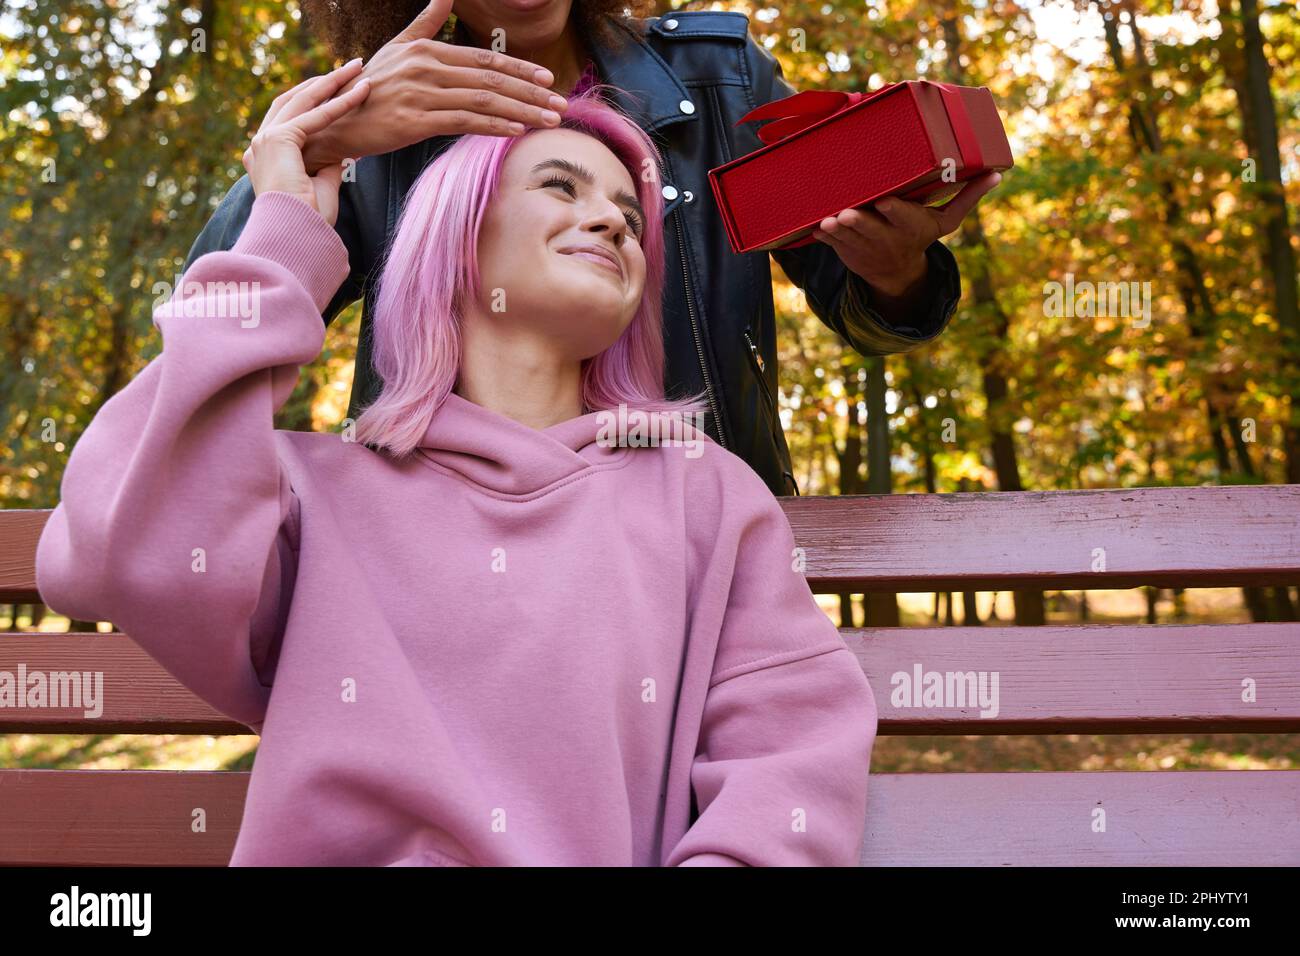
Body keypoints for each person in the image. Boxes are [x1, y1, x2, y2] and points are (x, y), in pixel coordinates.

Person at [36, 61, 879, 866]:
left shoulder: (703, 495)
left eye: (631, 212)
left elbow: (792, 748)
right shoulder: (311, 494)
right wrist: (284, 228)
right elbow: (122, 545)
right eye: (561, 185)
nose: (616, 220)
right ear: (459, 234)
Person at [183, 0, 1001, 496]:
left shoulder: (720, 80)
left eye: (624, 205)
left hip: (687, 531)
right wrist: (318, 147)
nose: (609, 223)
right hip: (443, 536)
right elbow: (215, 325)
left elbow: (870, 307)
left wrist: (897, 274)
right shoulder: (388, 115)